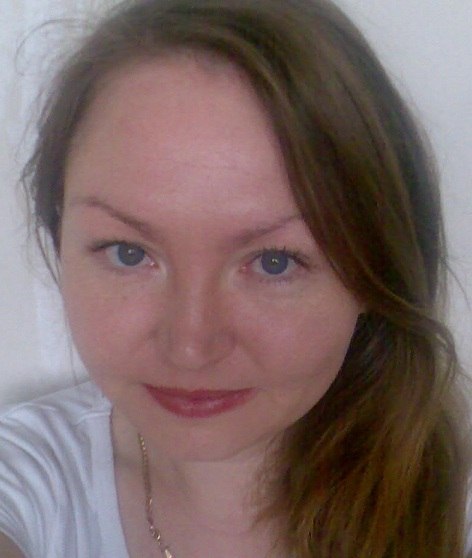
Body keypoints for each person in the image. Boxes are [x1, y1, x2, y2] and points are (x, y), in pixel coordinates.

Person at [0, 0, 470, 556]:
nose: (190, 348)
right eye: (128, 253)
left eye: (274, 262)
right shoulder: (26, 479)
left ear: (375, 271)